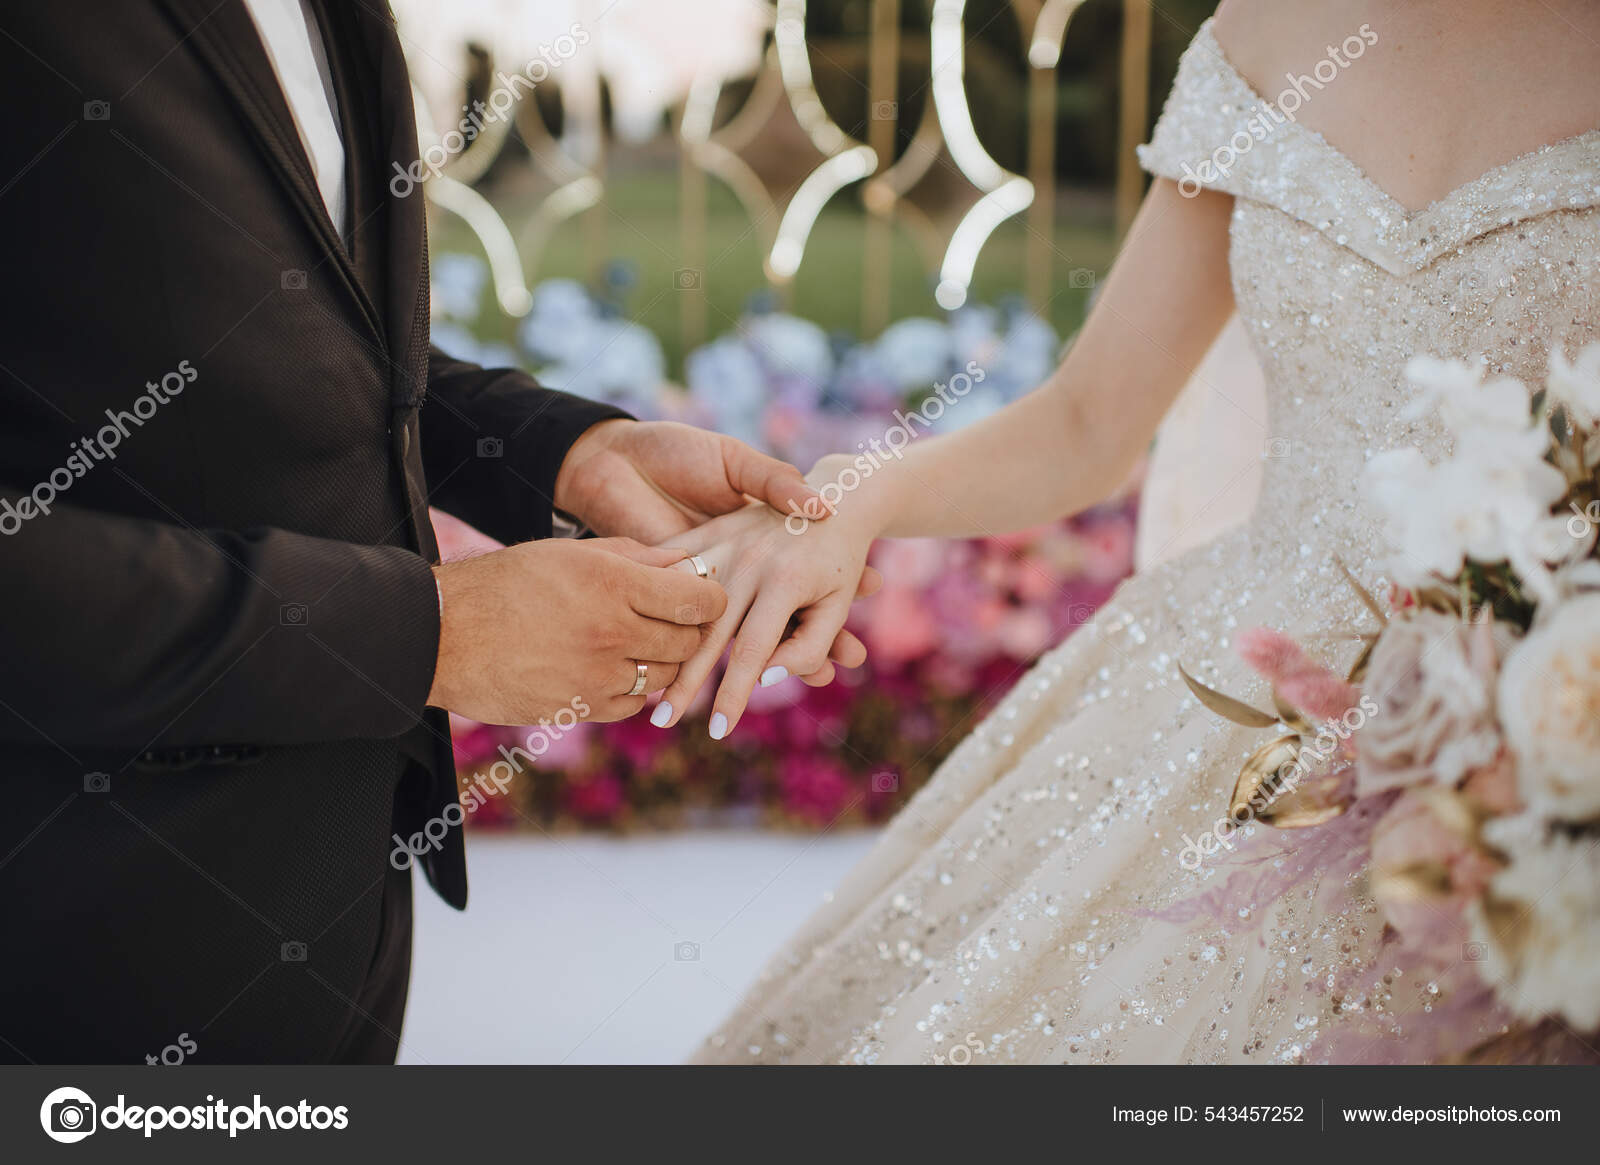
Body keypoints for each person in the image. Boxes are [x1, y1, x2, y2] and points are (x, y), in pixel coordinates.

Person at [669, 0, 1600, 1062]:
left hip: (1549, 720)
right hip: (1234, 672)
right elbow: (1087, 420)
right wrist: (863, 494)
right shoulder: (1266, 32)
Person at [0, 0, 864, 1063]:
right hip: (68, 937)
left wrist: (557, 451)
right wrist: (429, 633)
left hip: (336, 906)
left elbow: (280, 339)